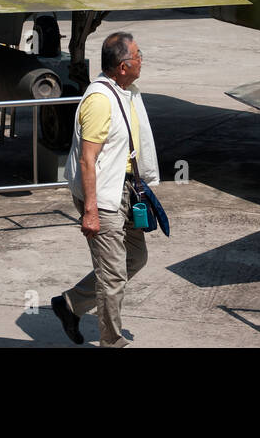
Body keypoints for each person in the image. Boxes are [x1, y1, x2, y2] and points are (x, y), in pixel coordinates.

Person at [52, 33, 159, 347]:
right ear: (124, 66)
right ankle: (112, 341)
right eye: (139, 55)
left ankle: (71, 303)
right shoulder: (100, 100)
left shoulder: (124, 91)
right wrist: (90, 210)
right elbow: (88, 159)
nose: (142, 59)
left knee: (135, 257)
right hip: (103, 196)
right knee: (112, 276)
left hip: (127, 189)